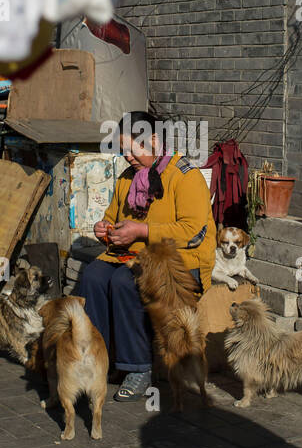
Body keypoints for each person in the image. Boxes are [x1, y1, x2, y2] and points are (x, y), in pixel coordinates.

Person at [76, 111, 215, 402]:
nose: (127, 156)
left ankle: (137, 367)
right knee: (92, 277)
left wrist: (141, 230)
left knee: (125, 283)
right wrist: (105, 230)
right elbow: (112, 218)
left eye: (132, 148)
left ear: (153, 141)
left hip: (178, 262)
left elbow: (192, 231)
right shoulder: (128, 178)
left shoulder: (184, 175)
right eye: (123, 150)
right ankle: (102, 359)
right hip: (132, 256)